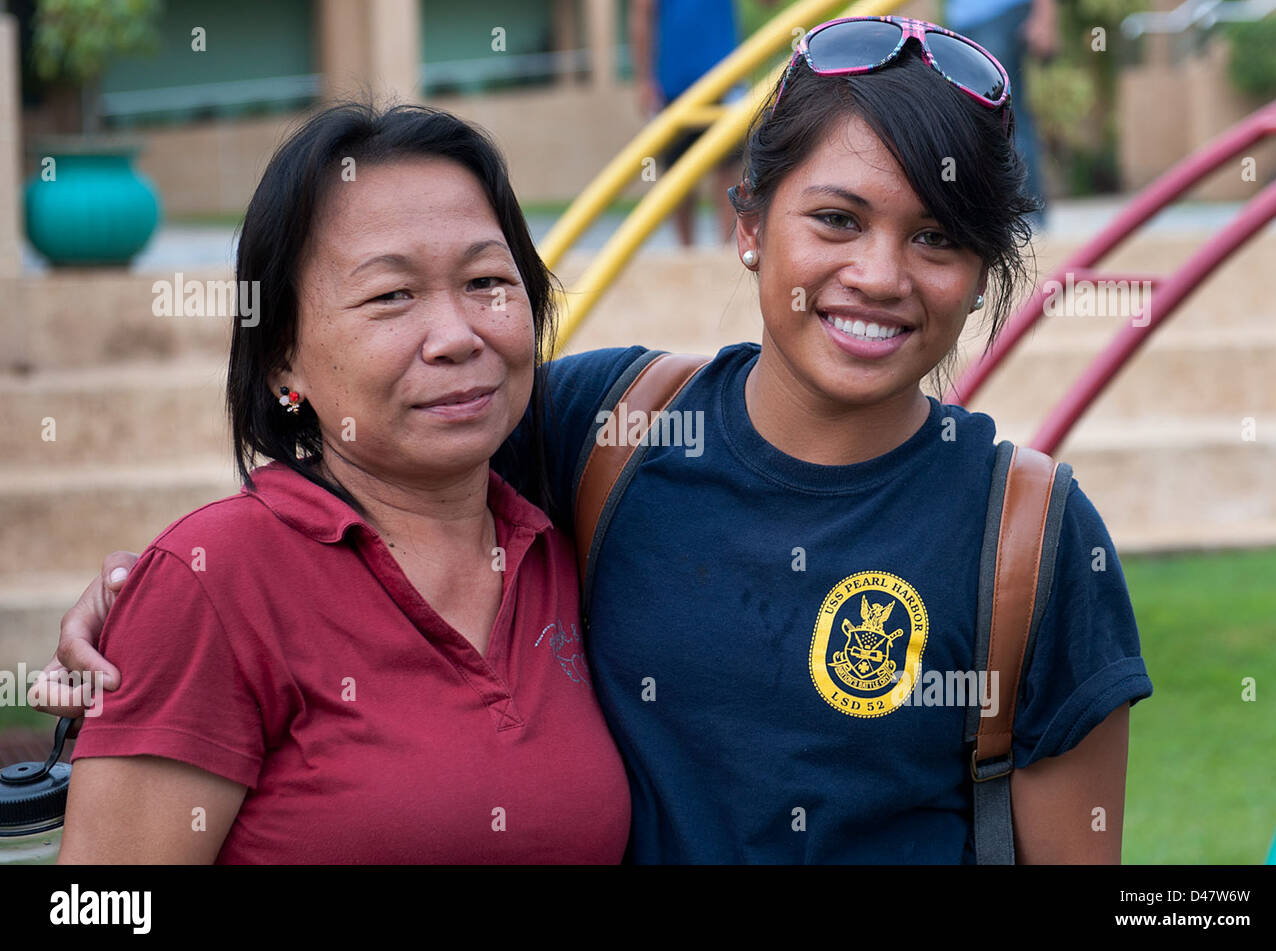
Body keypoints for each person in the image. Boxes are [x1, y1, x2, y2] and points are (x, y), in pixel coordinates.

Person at [40, 17, 1152, 864]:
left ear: (985, 272)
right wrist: (142, 595)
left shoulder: (1031, 538)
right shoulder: (602, 431)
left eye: (938, 239)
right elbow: (335, 506)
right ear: (747, 222)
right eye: (835, 219)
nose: (877, 275)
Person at [48, 103, 631, 864]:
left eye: (488, 280)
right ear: (282, 357)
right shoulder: (214, 583)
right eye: (392, 295)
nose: (458, 337)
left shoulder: (566, 544)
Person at [631, 0, 745, 245]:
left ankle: (727, 250)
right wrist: (643, 80)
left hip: (724, 78)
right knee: (678, 175)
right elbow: (641, 15)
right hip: (674, 84)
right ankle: (686, 252)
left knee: (727, 169)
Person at [944, 0, 1058, 231]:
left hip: (1001, 14)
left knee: (1005, 117)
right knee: (968, 120)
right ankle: (985, 215)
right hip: (961, 20)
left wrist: (1044, 19)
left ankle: (1028, 214)